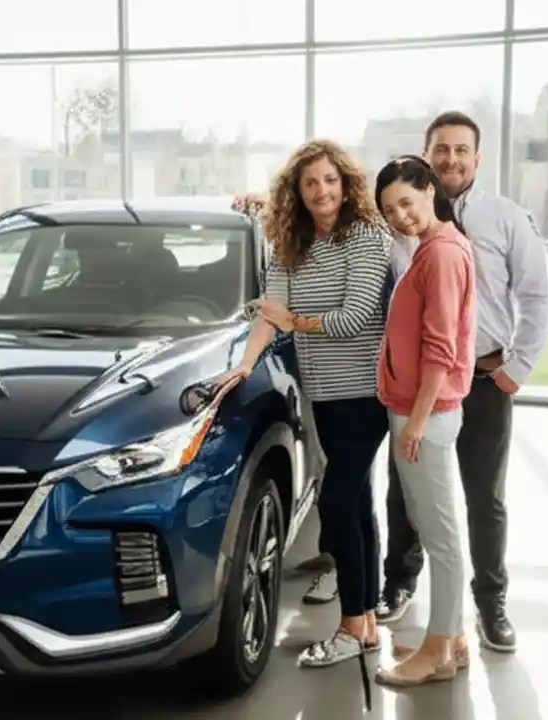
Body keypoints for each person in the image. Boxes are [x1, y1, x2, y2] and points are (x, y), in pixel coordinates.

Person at [377, 112, 548, 655]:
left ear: (477, 158)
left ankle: (490, 603)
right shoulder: (403, 217)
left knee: (484, 498)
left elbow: (536, 295)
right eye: (441, 149)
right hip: (420, 390)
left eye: (460, 150)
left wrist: (516, 370)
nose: (450, 158)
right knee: (407, 492)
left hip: (483, 378)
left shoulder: (503, 218)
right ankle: (399, 582)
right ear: (426, 155)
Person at [221, 139, 392, 669]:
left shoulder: (365, 236)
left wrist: (297, 323)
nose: (322, 191)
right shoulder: (290, 243)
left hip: (366, 395)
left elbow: (355, 317)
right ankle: (366, 622)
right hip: (322, 395)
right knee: (356, 503)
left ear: (347, 184)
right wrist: (244, 365)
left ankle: (351, 623)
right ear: (296, 191)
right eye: (311, 182)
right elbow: (270, 313)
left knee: (336, 503)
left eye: (331, 180)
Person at [371, 154, 475, 686]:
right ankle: (450, 638)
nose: (400, 217)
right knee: (434, 526)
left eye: (406, 203)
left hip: (424, 416)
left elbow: (440, 349)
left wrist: (414, 421)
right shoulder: (431, 248)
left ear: (430, 190)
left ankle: (437, 651)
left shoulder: (443, 255)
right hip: (419, 412)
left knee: (440, 536)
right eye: (390, 210)